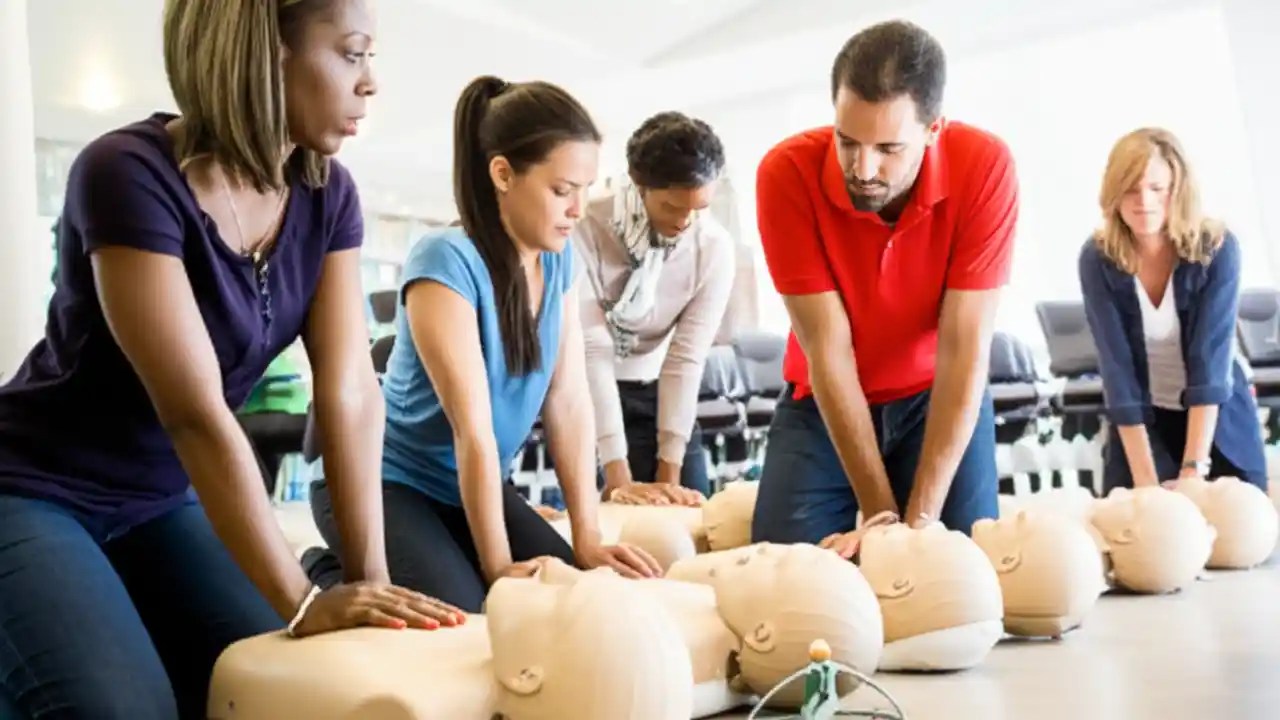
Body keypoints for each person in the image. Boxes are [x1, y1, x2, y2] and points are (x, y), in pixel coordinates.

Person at [0, 2, 460, 718]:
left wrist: (371, 587)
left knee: (285, 687)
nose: (370, 83)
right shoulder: (125, 172)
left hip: (160, 498)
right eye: (351, 53)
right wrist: (302, 602)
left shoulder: (327, 194)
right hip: (34, 487)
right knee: (125, 708)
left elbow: (347, 392)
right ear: (265, 51)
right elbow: (193, 413)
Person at [309, 75, 663, 614]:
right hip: (387, 484)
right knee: (472, 611)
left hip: (470, 487)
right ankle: (325, 570)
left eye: (586, 190)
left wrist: (587, 538)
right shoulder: (444, 261)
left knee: (574, 596)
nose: (578, 209)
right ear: (503, 173)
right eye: (562, 190)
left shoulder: (559, 260)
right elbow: (470, 428)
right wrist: (497, 566)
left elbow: (568, 401)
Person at [750, 20, 1018, 548]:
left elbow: (965, 346)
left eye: (888, 148)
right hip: (824, 400)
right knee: (785, 577)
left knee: (958, 565)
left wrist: (915, 531)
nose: (863, 168)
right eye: (846, 142)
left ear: (933, 128)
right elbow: (828, 351)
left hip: (934, 394)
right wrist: (879, 519)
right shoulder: (785, 174)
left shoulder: (985, 165)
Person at [1079, 128, 1267, 493]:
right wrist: (1147, 482)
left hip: (1216, 416)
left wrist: (1194, 469)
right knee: (1137, 530)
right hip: (1145, 422)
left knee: (1238, 531)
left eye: (1156, 188)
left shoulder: (1216, 249)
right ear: (1113, 194)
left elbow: (1209, 363)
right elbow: (1117, 370)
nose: (1143, 201)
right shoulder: (1098, 259)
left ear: (1177, 188)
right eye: (1130, 189)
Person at [575, 112, 735, 505]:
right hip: (586, 392)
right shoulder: (585, 228)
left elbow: (685, 359)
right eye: (671, 206)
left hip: (662, 393)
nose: (685, 222)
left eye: (698, 208)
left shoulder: (712, 247)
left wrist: (670, 475)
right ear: (639, 183)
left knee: (689, 515)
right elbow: (593, 352)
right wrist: (618, 477)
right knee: (614, 523)